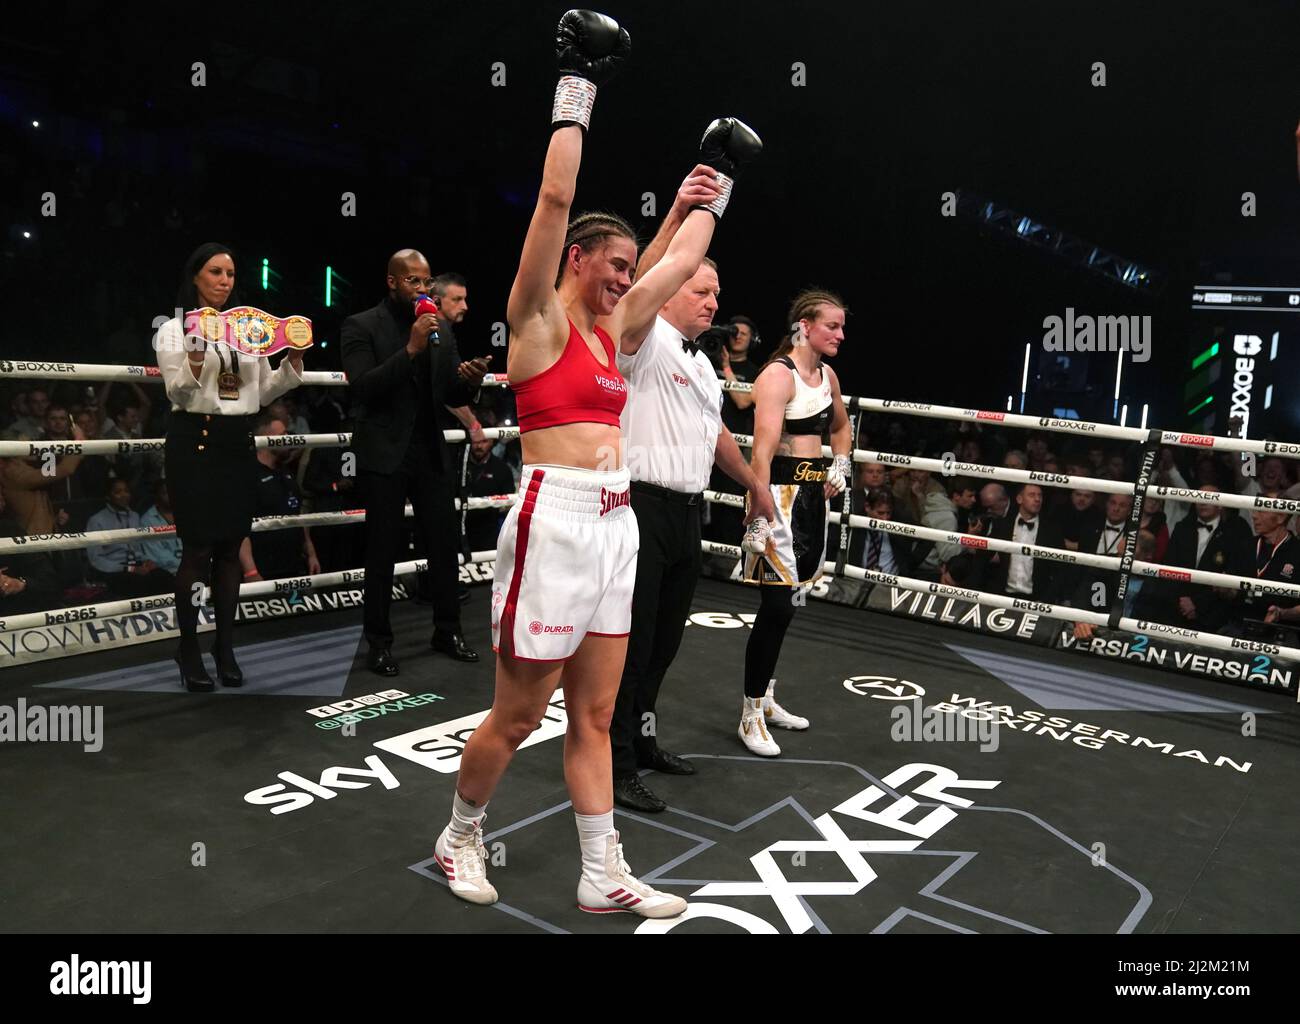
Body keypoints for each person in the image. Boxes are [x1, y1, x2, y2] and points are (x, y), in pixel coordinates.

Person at [434, 11, 732, 919]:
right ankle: (457, 835)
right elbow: (556, 203)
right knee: (520, 715)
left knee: (595, 715)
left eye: (625, 269)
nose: (623, 279)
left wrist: (713, 190)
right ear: (576, 263)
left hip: (616, 522)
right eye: (611, 266)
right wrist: (577, 84)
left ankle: (602, 871)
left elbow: (682, 257)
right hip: (552, 518)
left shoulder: (615, 332)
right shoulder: (539, 321)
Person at [611, 231, 773, 812]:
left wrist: (755, 483)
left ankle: (645, 740)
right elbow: (639, 291)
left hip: (686, 512)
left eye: (717, 293)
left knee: (665, 641)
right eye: (702, 291)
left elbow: (716, 435)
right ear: (672, 288)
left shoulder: (704, 364)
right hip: (639, 504)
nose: (713, 303)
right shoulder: (643, 337)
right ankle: (615, 763)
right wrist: (690, 216)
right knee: (631, 644)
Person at [155, 242, 305, 692]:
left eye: (231, 273)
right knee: (198, 550)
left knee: (229, 551)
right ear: (195, 276)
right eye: (216, 272)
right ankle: (188, 648)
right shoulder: (172, 330)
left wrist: (293, 360)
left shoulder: (247, 330)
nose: (224, 281)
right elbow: (178, 394)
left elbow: (258, 394)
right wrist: (198, 357)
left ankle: (225, 647)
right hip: (194, 443)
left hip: (237, 441)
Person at [340, 250, 489, 676]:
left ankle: (448, 630)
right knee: (382, 551)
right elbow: (364, 388)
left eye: (426, 282)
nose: (422, 290)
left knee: (443, 545)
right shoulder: (361, 325)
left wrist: (470, 381)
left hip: (428, 449)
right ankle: (380, 643)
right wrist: (410, 349)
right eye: (413, 282)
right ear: (392, 282)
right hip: (384, 451)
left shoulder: (439, 327)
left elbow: (448, 393)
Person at [740, 288, 853, 757]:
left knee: (789, 607)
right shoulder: (776, 376)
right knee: (777, 608)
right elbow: (761, 450)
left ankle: (765, 698)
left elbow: (841, 426)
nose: (841, 335)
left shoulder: (827, 375)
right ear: (804, 326)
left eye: (843, 327)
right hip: (778, 498)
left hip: (811, 500)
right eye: (833, 326)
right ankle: (748, 713)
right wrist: (757, 512)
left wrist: (840, 465)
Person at [1159, 486, 1254, 633]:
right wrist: (1182, 601)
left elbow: (1229, 576)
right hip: (1176, 608)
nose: (1203, 503)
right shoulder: (1182, 528)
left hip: (1212, 614)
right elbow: (1169, 566)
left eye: (1208, 499)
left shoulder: (1234, 533)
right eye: (1199, 499)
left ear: (1220, 504)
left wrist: (1197, 604)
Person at [240, 414, 320, 583]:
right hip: (264, 568)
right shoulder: (248, 474)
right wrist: (250, 571)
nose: (288, 439)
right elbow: (240, 527)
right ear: (266, 440)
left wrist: (311, 554)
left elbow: (297, 515)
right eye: (282, 435)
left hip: (293, 566)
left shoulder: (285, 472)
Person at [85, 478, 173, 597]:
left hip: (137, 564)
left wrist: (148, 561)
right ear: (108, 496)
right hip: (115, 569)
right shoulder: (96, 520)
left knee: (166, 578)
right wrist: (129, 568)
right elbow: (96, 560)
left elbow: (139, 549)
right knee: (139, 583)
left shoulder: (135, 516)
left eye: (126, 491)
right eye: (118, 492)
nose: (124, 495)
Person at [984, 483, 1065, 602]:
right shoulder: (1003, 525)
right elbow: (984, 558)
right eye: (1032, 495)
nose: (1037, 499)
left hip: (1037, 598)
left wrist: (1046, 599)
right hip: (1004, 596)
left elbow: (1060, 569)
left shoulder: (1052, 530)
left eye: (1040, 496)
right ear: (1019, 499)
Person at [139, 480, 183, 576]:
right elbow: (157, 554)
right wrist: (183, 565)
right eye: (165, 493)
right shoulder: (147, 520)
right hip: (167, 571)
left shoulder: (185, 513)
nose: (171, 496)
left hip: (191, 568)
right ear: (156, 496)